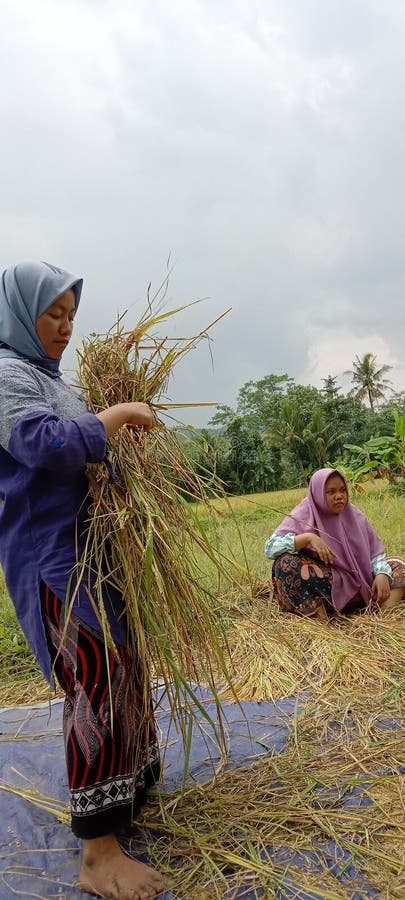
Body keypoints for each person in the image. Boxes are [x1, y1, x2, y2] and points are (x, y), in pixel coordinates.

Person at [0, 261, 165, 900]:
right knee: (91, 676)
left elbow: (86, 452)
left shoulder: (50, 378)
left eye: (72, 314)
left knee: (125, 664)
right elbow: (45, 445)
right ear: (21, 312)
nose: (67, 327)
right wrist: (118, 415)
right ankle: (98, 854)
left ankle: (125, 797)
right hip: (52, 557)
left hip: (92, 553)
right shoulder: (7, 375)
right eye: (54, 314)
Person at [265, 467, 405, 621]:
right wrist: (308, 538)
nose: (339, 496)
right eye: (331, 492)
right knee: (285, 564)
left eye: (342, 490)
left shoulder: (355, 516)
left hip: (362, 585)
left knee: (399, 564)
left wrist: (381, 574)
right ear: (318, 493)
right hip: (327, 588)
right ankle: (320, 619)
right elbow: (270, 548)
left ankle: (379, 615)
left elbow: (375, 553)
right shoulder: (303, 514)